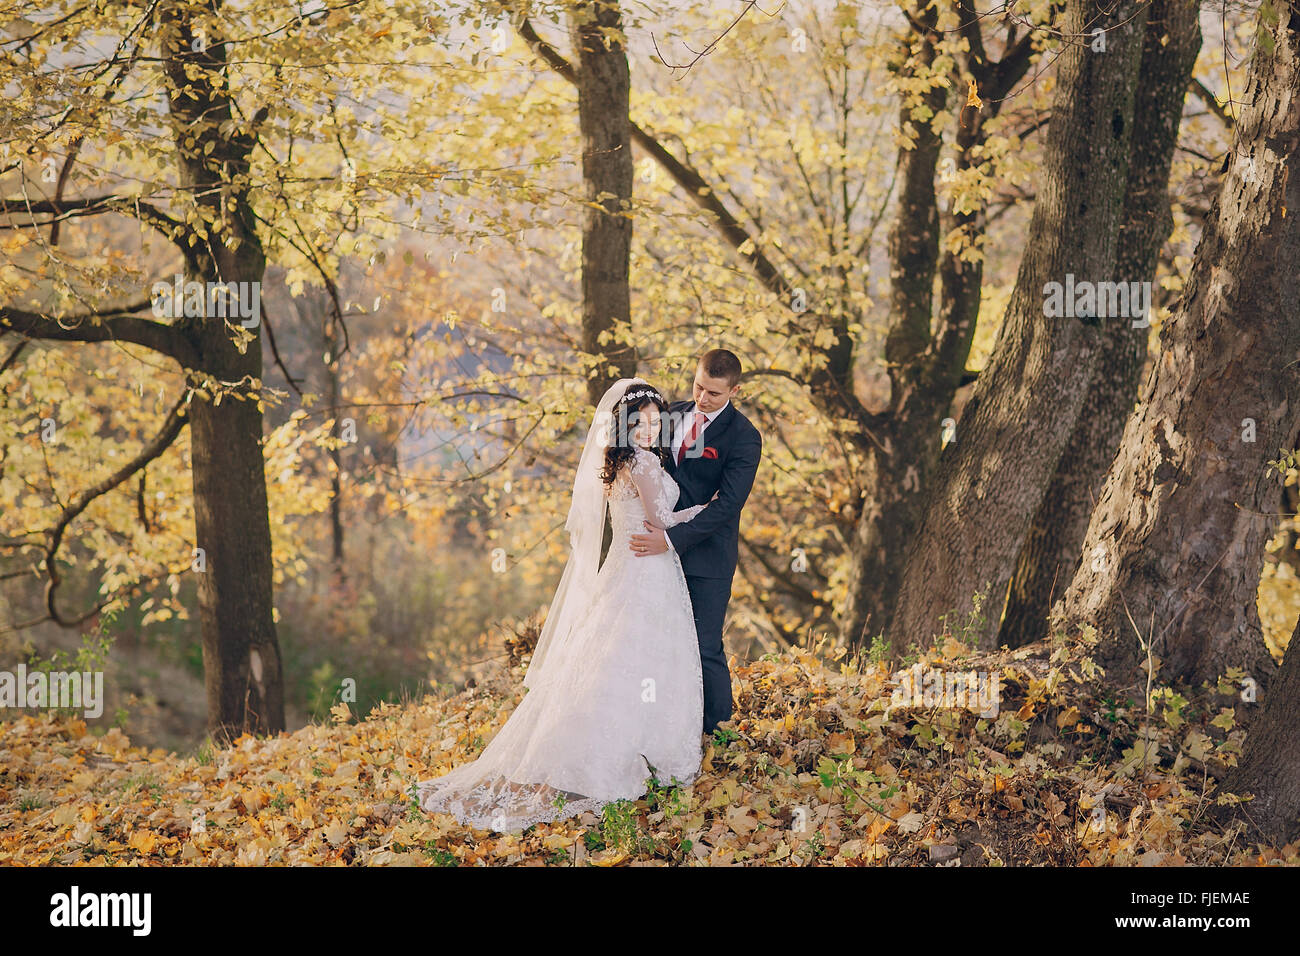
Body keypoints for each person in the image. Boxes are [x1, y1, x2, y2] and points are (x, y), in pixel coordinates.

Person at [416, 378, 712, 831]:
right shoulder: (645, 463)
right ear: (627, 425)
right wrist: (707, 511)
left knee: (611, 660)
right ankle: (632, 755)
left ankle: (592, 750)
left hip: (625, 570)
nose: (651, 428)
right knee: (640, 658)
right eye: (642, 421)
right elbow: (662, 521)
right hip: (647, 571)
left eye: (657, 420)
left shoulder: (620, 463)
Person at [629, 349, 763, 734]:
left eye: (714, 394)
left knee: (704, 647)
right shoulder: (671, 413)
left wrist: (670, 539)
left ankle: (718, 733)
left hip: (707, 558)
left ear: (735, 390)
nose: (703, 399)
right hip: (654, 555)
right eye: (699, 386)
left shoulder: (744, 438)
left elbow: (728, 506)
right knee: (660, 645)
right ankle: (668, 729)